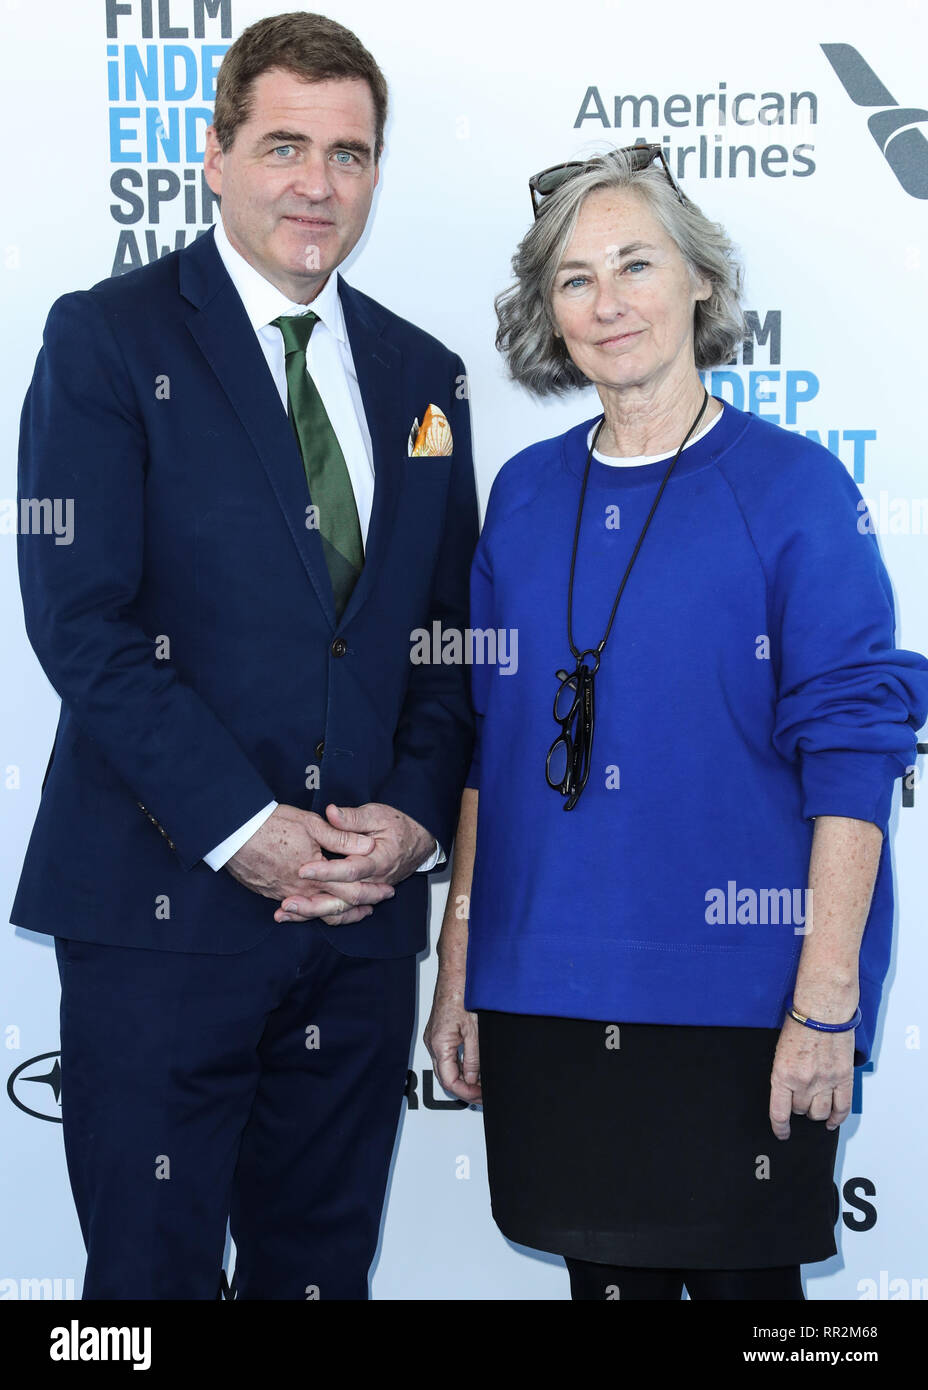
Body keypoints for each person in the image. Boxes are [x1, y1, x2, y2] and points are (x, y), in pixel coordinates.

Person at [13, 11, 478, 1300]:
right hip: (163, 913)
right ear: (214, 157)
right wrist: (243, 826)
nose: (316, 184)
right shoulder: (108, 338)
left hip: (360, 926)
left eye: (348, 154)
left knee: (319, 1273)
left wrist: (411, 824)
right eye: (284, 146)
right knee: (147, 1287)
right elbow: (81, 622)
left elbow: (447, 641)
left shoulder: (424, 376)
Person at [425, 144, 928, 1300]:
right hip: (545, 993)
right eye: (575, 278)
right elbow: (491, 749)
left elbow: (854, 756)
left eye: (635, 264)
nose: (608, 301)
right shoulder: (524, 493)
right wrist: (460, 968)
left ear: (701, 278)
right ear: (549, 312)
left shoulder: (796, 489)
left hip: (744, 1003)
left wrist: (825, 1000)